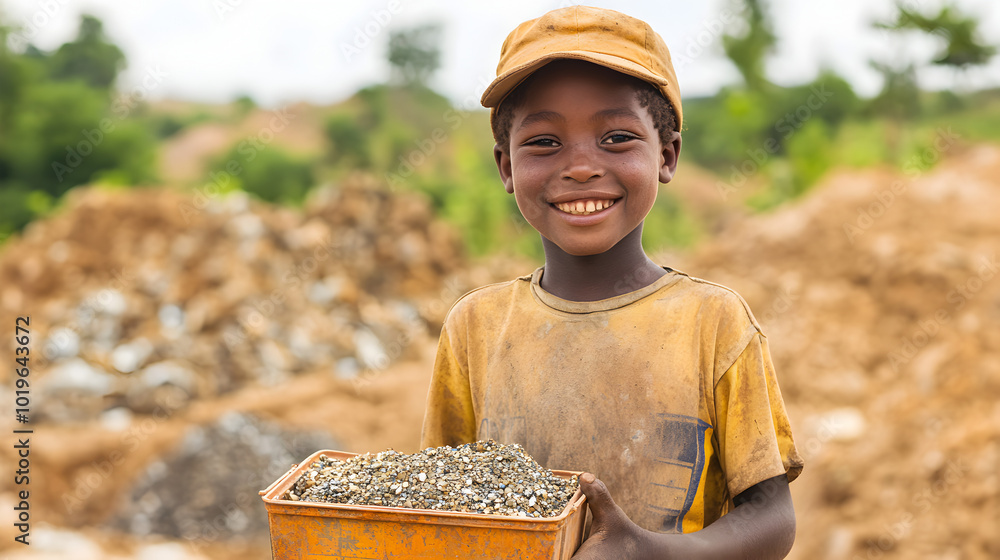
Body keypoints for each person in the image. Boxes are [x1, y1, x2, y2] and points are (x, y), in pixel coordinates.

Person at [420, 6, 803, 558]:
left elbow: (771, 518)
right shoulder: (474, 328)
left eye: (617, 137)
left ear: (666, 154)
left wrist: (652, 552)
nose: (580, 166)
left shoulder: (713, 322)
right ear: (505, 166)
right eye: (545, 142)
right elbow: (437, 502)